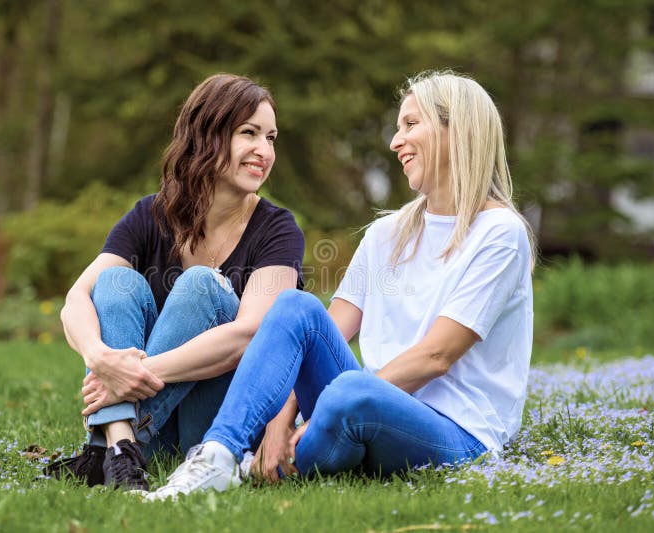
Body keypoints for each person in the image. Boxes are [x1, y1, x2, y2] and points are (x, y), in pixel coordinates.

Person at [147, 70, 536, 500]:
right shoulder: (388, 233)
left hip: (458, 433)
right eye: (397, 127)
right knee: (296, 306)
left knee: (351, 393)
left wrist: (324, 412)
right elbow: (320, 333)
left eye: (410, 125)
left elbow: (437, 355)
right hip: (362, 403)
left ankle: (255, 465)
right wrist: (280, 419)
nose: (395, 141)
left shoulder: (500, 233)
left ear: (456, 130)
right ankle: (219, 453)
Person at [43, 74, 304, 492]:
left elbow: (248, 335)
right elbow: (76, 298)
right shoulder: (151, 214)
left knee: (200, 285)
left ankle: (104, 446)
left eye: (271, 137)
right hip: (156, 434)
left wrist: (130, 376)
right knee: (114, 283)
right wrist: (101, 358)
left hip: (216, 426)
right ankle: (121, 452)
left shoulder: (277, 229)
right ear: (207, 135)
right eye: (249, 133)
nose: (264, 151)